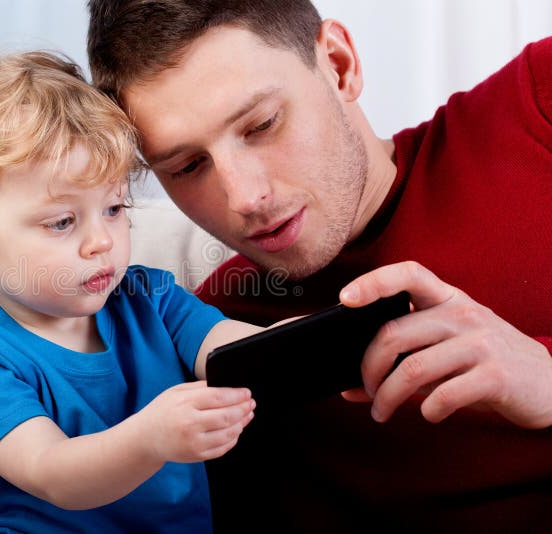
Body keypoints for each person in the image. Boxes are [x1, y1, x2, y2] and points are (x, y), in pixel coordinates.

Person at [87, 0, 552, 530]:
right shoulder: (202, 343)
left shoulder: (537, 99)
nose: (245, 197)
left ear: (338, 64)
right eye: (188, 166)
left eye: (262, 124)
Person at [0, 49, 295, 533]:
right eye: (62, 221)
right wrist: (150, 438)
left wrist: (295, 346)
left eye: (114, 208)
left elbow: (236, 351)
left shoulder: (151, 299)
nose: (102, 241)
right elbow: (55, 475)